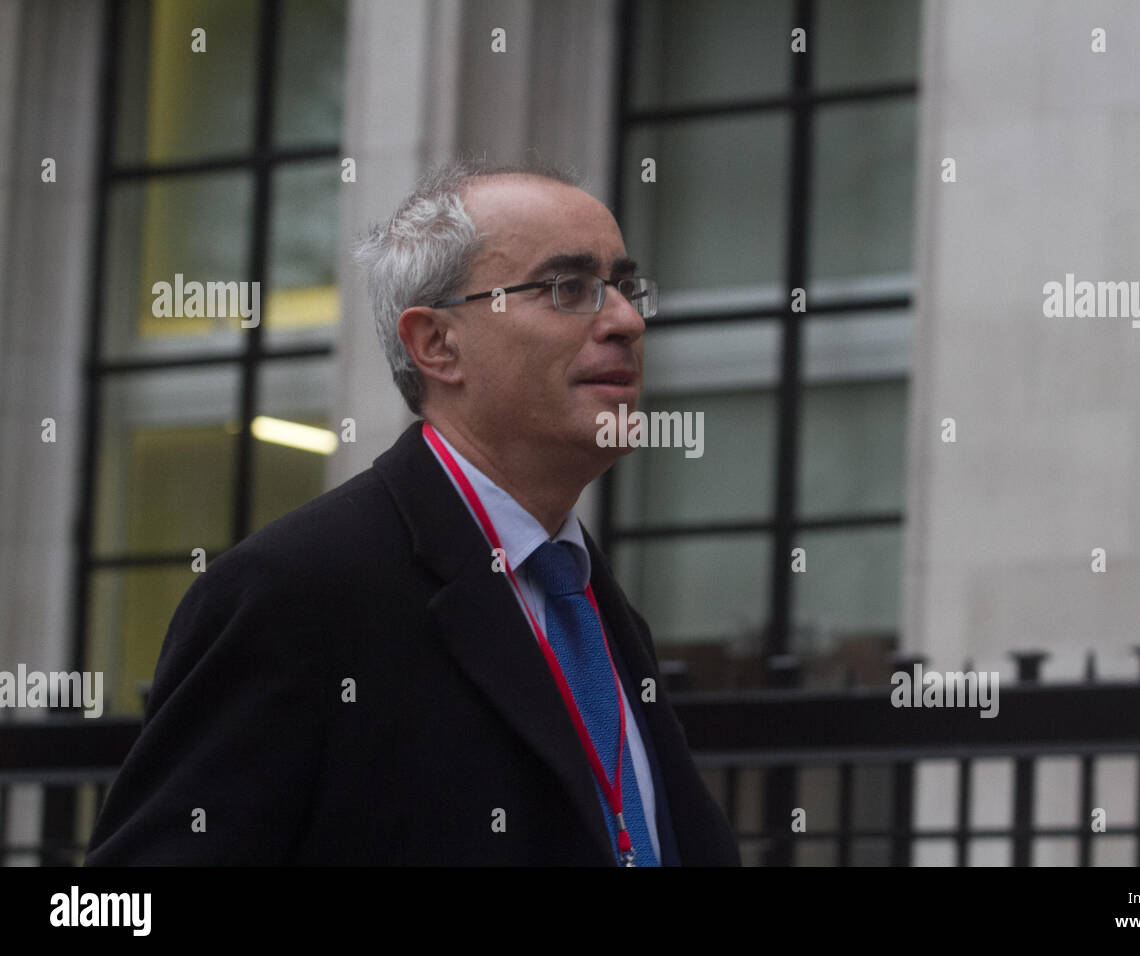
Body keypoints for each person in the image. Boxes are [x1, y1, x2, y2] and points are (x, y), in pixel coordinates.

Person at [83, 161, 741, 866]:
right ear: (437, 344)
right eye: (568, 288)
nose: (626, 320)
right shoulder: (296, 594)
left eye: (625, 286)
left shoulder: (587, 601)